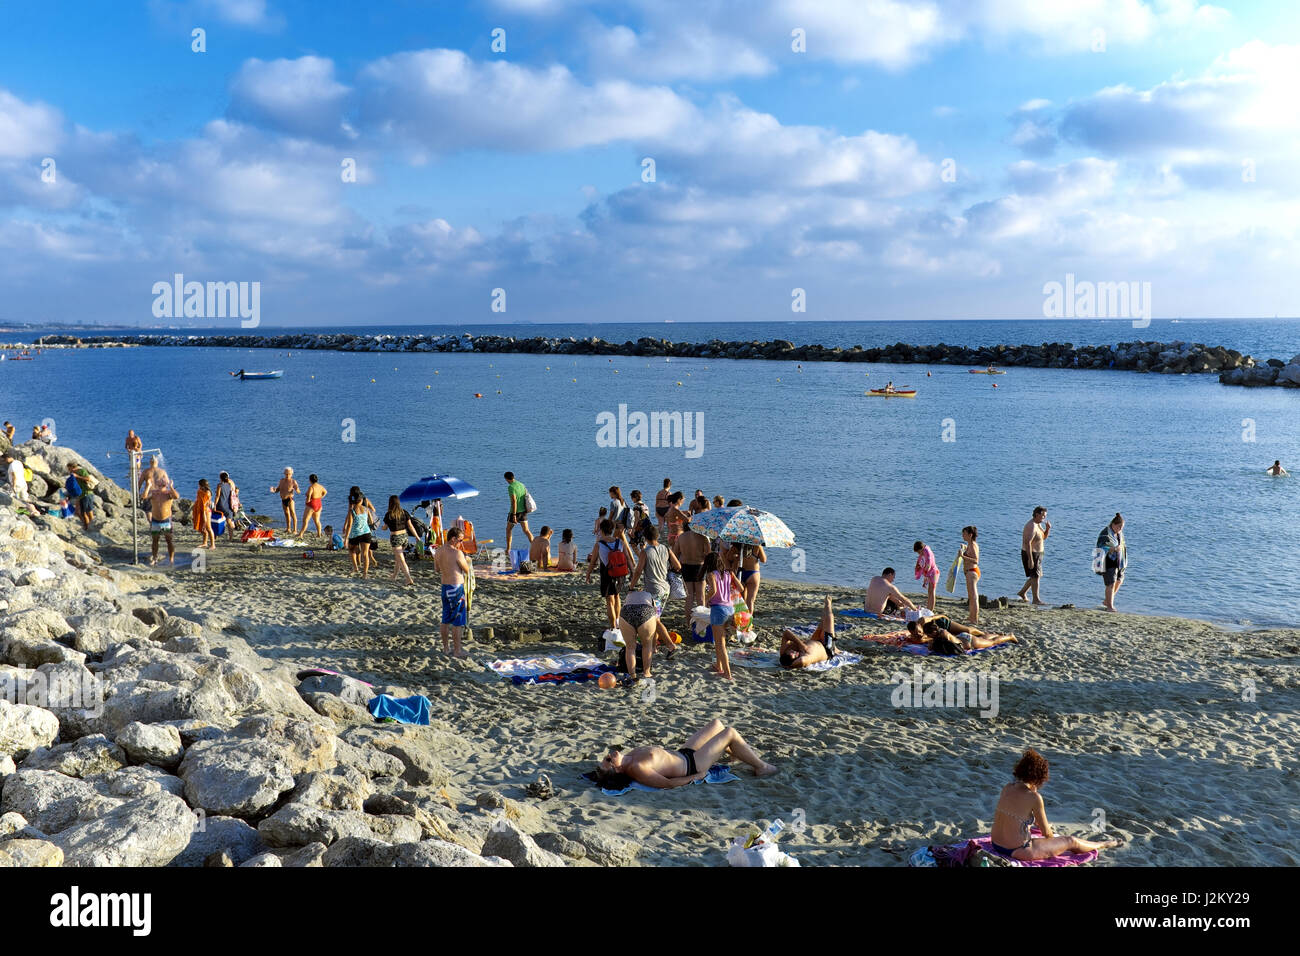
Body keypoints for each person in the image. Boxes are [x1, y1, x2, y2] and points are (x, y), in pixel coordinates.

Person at [990, 749, 1118, 861]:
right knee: (1070, 841)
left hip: (996, 844)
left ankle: (1098, 843)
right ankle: (1103, 844)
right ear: (1039, 777)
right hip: (1018, 850)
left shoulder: (1007, 787)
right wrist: (1053, 836)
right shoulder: (1034, 798)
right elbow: (1047, 834)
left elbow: (1015, 816)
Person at [594, 719, 777, 790]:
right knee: (730, 732)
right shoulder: (637, 768)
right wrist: (696, 776)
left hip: (684, 753)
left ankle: (735, 752)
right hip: (693, 764)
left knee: (717, 725)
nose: (609, 755)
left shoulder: (629, 756)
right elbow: (667, 783)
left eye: (605, 757)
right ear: (617, 770)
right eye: (609, 760)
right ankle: (761, 767)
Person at [618, 590, 674, 679]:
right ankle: (646, 672)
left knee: (630, 647)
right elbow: (656, 615)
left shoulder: (629, 591)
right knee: (647, 645)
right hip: (646, 611)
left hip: (626, 611)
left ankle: (632, 675)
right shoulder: (651, 593)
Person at [703, 551, 742, 679]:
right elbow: (741, 588)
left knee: (720, 644)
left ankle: (727, 673)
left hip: (718, 610)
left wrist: (705, 599)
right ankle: (718, 666)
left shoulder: (711, 574)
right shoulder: (728, 573)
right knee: (722, 641)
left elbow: (713, 590)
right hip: (730, 609)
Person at [586, 518, 630, 630]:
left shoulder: (599, 545)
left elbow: (593, 562)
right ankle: (618, 623)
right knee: (617, 596)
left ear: (601, 530)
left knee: (609, 600)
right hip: (620, 573)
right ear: (612, 529)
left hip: (607, 573)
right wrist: (633, 571)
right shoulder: (620, 542)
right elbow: (628, 558)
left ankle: (613, 626)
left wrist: (588, 574)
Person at [672, 505, 710, 631]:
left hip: (685, 566)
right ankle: (702, 623)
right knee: (700, 597)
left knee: (689, 597)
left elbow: (675, 553)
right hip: (699, 566)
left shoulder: (681, 537)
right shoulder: (702, 537)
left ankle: (689, 623)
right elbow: (708, 554)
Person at [629, 525, 681, 617]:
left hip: (654, 590)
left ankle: (661, 632)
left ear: (645, 538)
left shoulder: (645, 552)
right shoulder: (666, 548)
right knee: (656, 616)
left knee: (654, 618)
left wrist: (631, 587)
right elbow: (678, 566)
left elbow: (638, 572)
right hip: (666, 588)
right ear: (657, 536)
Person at [435, 527, 471, 657]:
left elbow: (436, 569)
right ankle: (457, 651)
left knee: (445, 619)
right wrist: (466, 560)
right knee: (457, 620)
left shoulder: (438, 551)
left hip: (445, 587)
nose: (461, 543)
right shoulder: (457, 553)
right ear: (453, 539)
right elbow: (466, 570)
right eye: (460, 540)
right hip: (455, 588)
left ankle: (446, 648)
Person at [780, 596, 836, 669]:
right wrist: (789, 665)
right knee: (829, 618)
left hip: (814, 640)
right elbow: (800, 662)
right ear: (795, 660)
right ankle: (828, 602)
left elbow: (786, 633)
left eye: (791, 652)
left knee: (823, 621)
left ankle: (826, 603)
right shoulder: (804, 658)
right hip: (827, 649)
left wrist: (801, 645)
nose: (794, 652)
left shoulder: (784, 652)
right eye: (794, 655)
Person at [1016, 507, 1051, 605]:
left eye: (1045, 516)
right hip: (1031, 553)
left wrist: (1048, 529)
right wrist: (1030, 560)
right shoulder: (1031, 526)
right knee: (1035, 577)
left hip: (1038, 554)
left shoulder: (1038, 524)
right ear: (1037, 514)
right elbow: (1027, 543)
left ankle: (1022, 592)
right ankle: (1036, 599)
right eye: (1043, 515)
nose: (1044, 518)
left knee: (1036, 576)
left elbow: (1043, 537)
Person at [922, 619, 1017, 655]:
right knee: (984, 638)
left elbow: (948, 646)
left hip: (970, 642)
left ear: (933, 632)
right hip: (964, 637)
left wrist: (932, 644)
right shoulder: (941, 632)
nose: (928, 636)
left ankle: (1010, 636)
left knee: (992, 643)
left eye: (928, 634)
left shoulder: (943, 635)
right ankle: (998, 635)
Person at [342, 487, 377, 579]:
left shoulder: (352, 511)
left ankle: (355, 568)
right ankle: (365, 574)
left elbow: (349, 525)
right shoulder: (366, 509)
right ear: (361, 500)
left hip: (355, 533)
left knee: (351, 550)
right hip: (366, 533)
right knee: (365, 554)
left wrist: (346, 538)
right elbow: (371, 521)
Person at [382, 495, 416, 586]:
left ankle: (408, 579)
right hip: (405, 537)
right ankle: (394, 576)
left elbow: (385, 528)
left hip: (396, 538)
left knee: (401, 559)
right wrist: (417, 537)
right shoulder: (404, 512)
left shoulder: (389, 514)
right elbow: (410, 526)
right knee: (398, 558)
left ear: (390, 503)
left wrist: (382, 527)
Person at [1096, 513, 1126, 612]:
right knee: (1110, 583)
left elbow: (1122, 546)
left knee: (1120, 580)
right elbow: (1101, 547)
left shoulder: (1119, 534)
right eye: (1119, 527)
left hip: (1119, 561)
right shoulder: (1105, 533)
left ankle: (1107, 601)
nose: (1120, 529)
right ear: (1113, 524)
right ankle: (1110, 606)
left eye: (1122, 527)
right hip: (1108, 561)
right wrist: (1112, 549)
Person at [147, 480, 181, 566]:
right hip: (155, 520)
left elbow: (177, 496)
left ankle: (171, 559)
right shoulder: (153, 493)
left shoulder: (168, 493)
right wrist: (148, 485)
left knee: (169, 540)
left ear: (166, 485)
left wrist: (171, 487)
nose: (161, 485)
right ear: (157, 484)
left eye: (163, 483)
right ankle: (154, 558)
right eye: (160, 483)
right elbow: (144, 496)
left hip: (166, 520)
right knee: (155, 540)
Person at [504, 471, 533, 552]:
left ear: (506, 479)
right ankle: (534, 546)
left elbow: (514, 501)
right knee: (527, 531)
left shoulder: (511, 487)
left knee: (508, 529)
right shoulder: (521, 484)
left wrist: (513, 515)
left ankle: (508, 549)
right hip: (523, 511)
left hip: (515, 512)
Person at [271, 467, 301, 536]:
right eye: (286, 473)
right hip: (283, 499)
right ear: (284, 473)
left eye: (289, 474)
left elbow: (298, 490)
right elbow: (278, 489)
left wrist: (296, 490)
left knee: (293, 513)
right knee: (286, 514)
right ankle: (288, 528)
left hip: (290, 499)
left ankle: (295, 530)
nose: (287, 475)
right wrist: (274, 490)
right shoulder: (281, 480)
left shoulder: (293, 481)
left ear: (291, 474)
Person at [738, 543, 766, 615]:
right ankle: (748, 621)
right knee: (750, 600)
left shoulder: (738, 545)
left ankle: (741, 618)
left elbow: (729, 557)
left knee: (741, 599)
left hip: (741, 572)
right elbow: (763, 560)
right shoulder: (757, 546)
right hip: (753, 573)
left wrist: (737, 556)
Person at [960, 526, 981, 624]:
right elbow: (970, 553)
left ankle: (974, 619)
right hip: (969, 572)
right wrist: (964, 548)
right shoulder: (970, 544)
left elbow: (976, 560)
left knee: (973, 596)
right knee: (971, 596)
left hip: (972, 571)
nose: (962, 535)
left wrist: (962, 556)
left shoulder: (973, 545)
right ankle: (971, 616)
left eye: (964, 534)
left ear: (970, 535)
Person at [64, 463, 93, 529]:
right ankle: (86, 526)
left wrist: (77, 476)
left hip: (87, 493)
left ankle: (90, 526)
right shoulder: (73, 474)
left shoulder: (82, 471)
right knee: (79, 512)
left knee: (88, 511)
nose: (69, 470)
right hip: (80, 494)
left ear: (72, 467)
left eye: (69, 469)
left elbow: (88, 479)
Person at [913, 541, 939, 611]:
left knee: (932, 591)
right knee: (929, 592)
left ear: (921, 549)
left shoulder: (927, 552)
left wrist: (926, 576)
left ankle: (931, 609)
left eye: (918, 552)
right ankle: (929, 608)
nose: (919, 554)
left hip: (934, 573)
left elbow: (929, 565)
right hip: (929, 573)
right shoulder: (924, 551)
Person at [194, 478, 215, 549]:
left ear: (202, 485)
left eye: (199, 485)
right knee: (203, 529)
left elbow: (204, 506)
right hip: (201, 510)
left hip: (206, 511)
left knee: (208, 528)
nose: (198, 486)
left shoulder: (207, 493)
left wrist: (204, 520)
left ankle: (213, 545)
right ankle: (205, 543)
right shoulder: (200, 491)